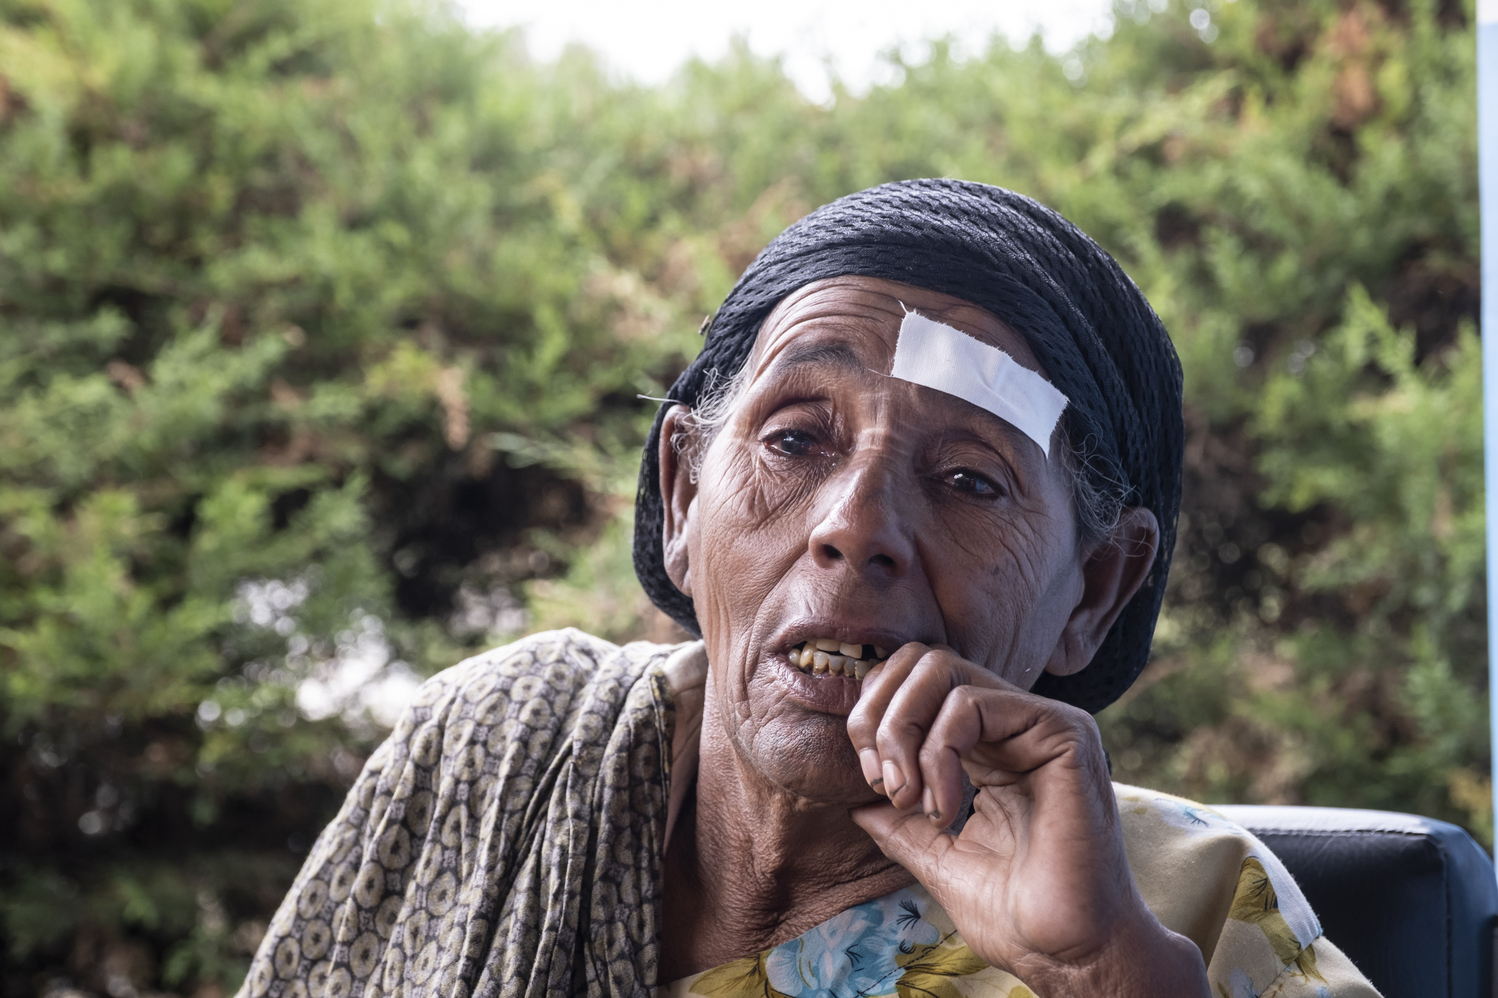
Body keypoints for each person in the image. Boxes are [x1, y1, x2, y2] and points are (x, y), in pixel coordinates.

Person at [241, 180, 1381, 998]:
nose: (854, 526)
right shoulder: (498, 755)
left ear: (1095, 587)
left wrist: (1104, 972)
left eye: (970, 479)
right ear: (683, 495)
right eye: (794, 439)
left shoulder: (1188, 911)